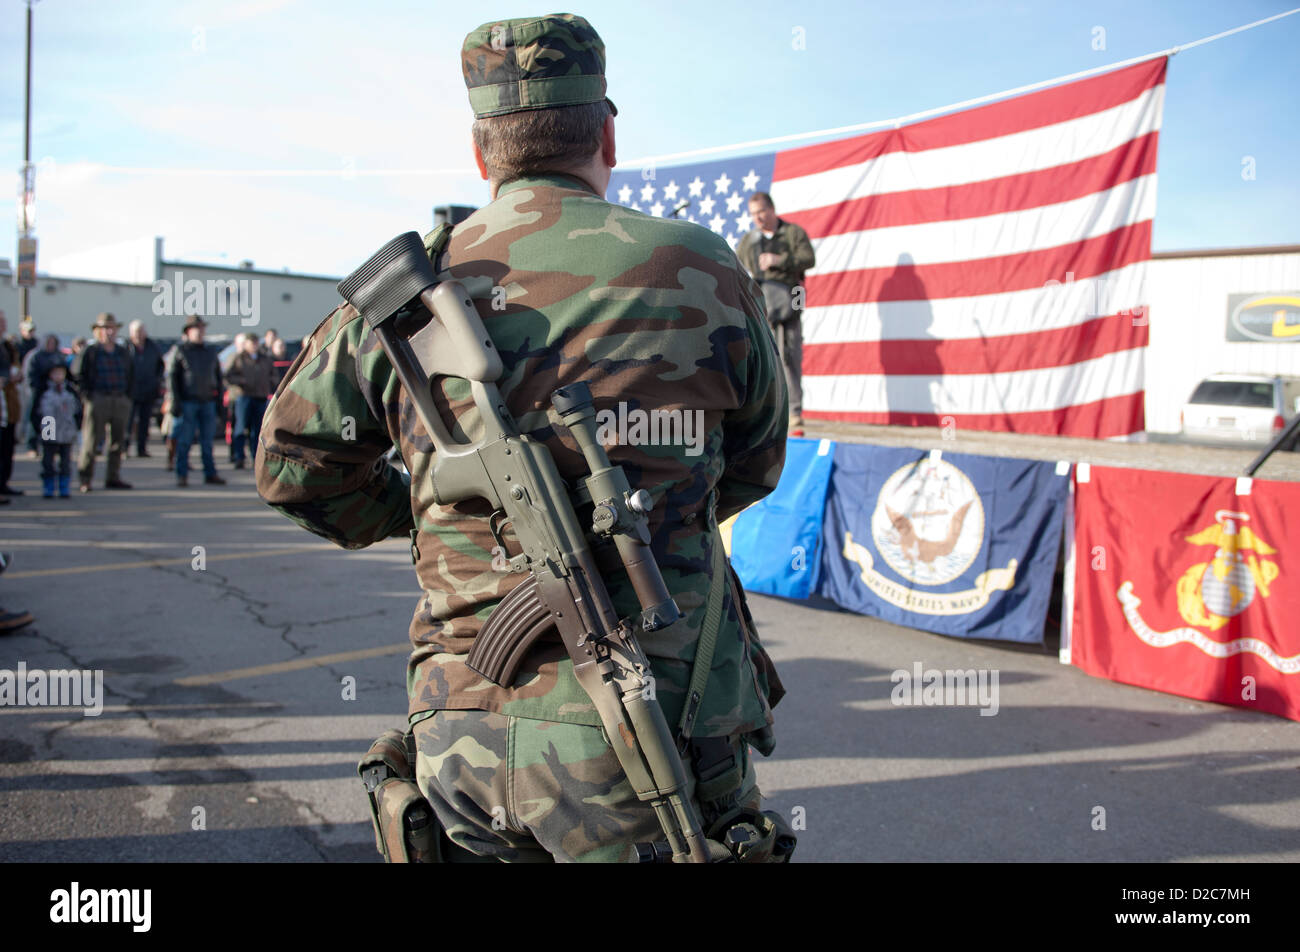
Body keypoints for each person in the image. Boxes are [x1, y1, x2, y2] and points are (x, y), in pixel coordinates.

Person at [258, 13, 788, 863]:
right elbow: (756, 465)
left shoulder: (423, 284)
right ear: (606, 134)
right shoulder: (707, 266)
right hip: (650, 724)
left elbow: (294, 468)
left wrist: (426, 510)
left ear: (482, 149)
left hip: (460, 731)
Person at [736, 192, 815, 436]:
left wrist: (778, 260)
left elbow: (808, 259)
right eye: (753, 214)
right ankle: (764, 413)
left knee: (790, 357)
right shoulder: (748, 241)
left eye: (761, 212)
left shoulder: (793, 233)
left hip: (792, 301)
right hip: (762, 307)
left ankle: (794, 413)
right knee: (760, 358)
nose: (758, 218)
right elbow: (739, 269)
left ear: (771, 210)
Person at [71, 313, 133, 492]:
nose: (109, 332)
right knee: (91, 441)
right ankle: (85, 478)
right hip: (98, 399)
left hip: (119, 399)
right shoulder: (90, 351)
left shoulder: (122, 352)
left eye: (112, 328)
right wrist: (87, 396)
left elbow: (131, 375)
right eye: (105, 328)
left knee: (117, 442)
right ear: (98, 331)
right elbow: (78, 376)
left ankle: (113, 477)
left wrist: (127, 397)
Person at [170, 317, 226, 487]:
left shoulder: (210, 351)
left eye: (201, 328)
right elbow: (173, 378)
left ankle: (210, 473)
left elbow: (218, 377)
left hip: (207, 400)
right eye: (196, 328)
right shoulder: (181, 350)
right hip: (188, 401)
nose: (200, 331)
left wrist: (219, 402)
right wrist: (176, 401)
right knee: (185, 440)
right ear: (188, 331)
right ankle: (182, 474)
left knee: (207, 441)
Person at [224, 332, 272, 469]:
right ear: (246, 344)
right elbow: (228, 376)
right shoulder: (239, 358)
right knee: (240, 429)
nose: (254, 345)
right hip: (243, 396)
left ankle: (255, 458)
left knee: (257, 430)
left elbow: (273, 374)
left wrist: (269, 384)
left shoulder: (264, 359)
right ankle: (239, 457)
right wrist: (241, 382)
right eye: (251, 342)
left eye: (256, 342)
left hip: (260, 397)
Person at [37, 363, 79, 498]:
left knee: (65, 461)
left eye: (61, 373)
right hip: (48, 429)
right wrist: (38, 427)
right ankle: (48, 487)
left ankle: (64, 487)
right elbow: (35, 411)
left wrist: (76, 426)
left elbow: (78, 411)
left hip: (66, 430)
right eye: (55, 373)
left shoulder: (70, 391)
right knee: (48, 461)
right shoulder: (44, 391)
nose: (58, 376)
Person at [125, 320, 164, 458]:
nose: (138, 334)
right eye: (136, 331)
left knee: (144, 422)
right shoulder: (126, 347)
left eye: (141, 331)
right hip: (130, 391)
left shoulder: (152, 347)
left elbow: (160, 365)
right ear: (131, 333)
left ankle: (141, 449)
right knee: (128, 422)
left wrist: (156, 380)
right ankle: (125, 448)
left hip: (148, 390)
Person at [0, 311, 22, 496]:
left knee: (7, 446)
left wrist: (16, 376)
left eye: (3, 320)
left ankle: (3, 484)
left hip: (9, 404)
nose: (3, 324)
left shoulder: (8, 345)